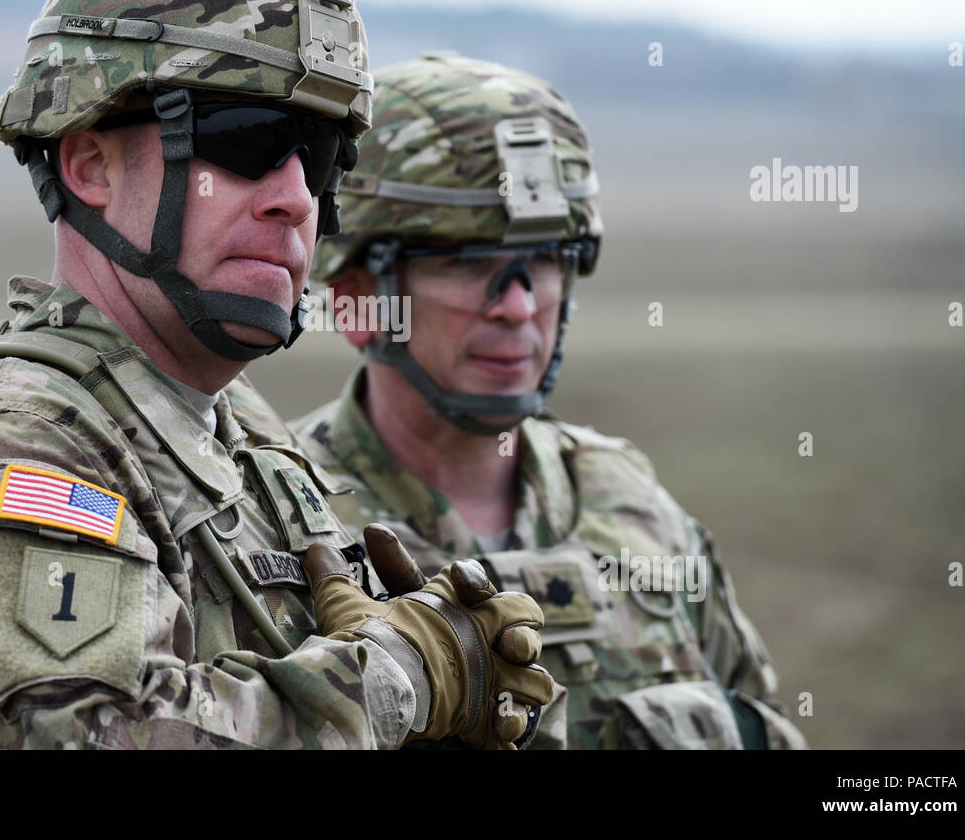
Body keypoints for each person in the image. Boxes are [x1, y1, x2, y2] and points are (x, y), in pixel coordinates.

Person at [0, 0, 552, 750]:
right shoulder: (15, 445)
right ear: (89, 165)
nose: (293, 197)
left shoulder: (237, 429)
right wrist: (398, 678)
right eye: (246, 139)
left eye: (320, 156)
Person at [289, 52, 807, 749]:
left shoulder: (635, 506)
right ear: (356, 300)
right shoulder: (283, 522)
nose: (517, 304)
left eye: (542, 260)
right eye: (468, 263)